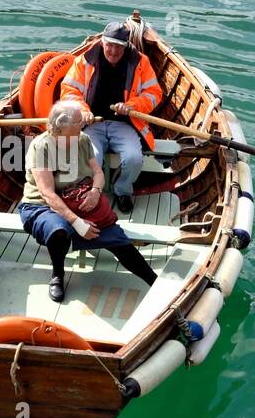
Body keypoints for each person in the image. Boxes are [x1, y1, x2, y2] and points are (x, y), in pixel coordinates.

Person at [17, 101, 160, 303]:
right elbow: (48, 193)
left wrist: (95, 191)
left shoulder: (82, 139)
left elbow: (98, 172)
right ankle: (57, 275)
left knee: (117, 239)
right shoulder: (41, 147)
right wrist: (77, 223)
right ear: (60, 128)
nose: (83, 124)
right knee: (59, 230)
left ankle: (154, 282)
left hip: (80, 197)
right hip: (42, 205)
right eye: (77, 122)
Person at [59, 18, 164, 214]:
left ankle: (122, 191)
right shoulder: (84, 61)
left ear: (126, 46)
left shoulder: (141, 62)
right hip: (92, 125)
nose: (113, 51)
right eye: (110, 46)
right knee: (92, 157)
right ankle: (91, 194)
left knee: (134, 158)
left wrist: (131, 106)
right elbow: (69, 90)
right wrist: (82, 110)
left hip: (125, 124)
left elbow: (153, 93)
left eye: (118, 47)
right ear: (102, 43)